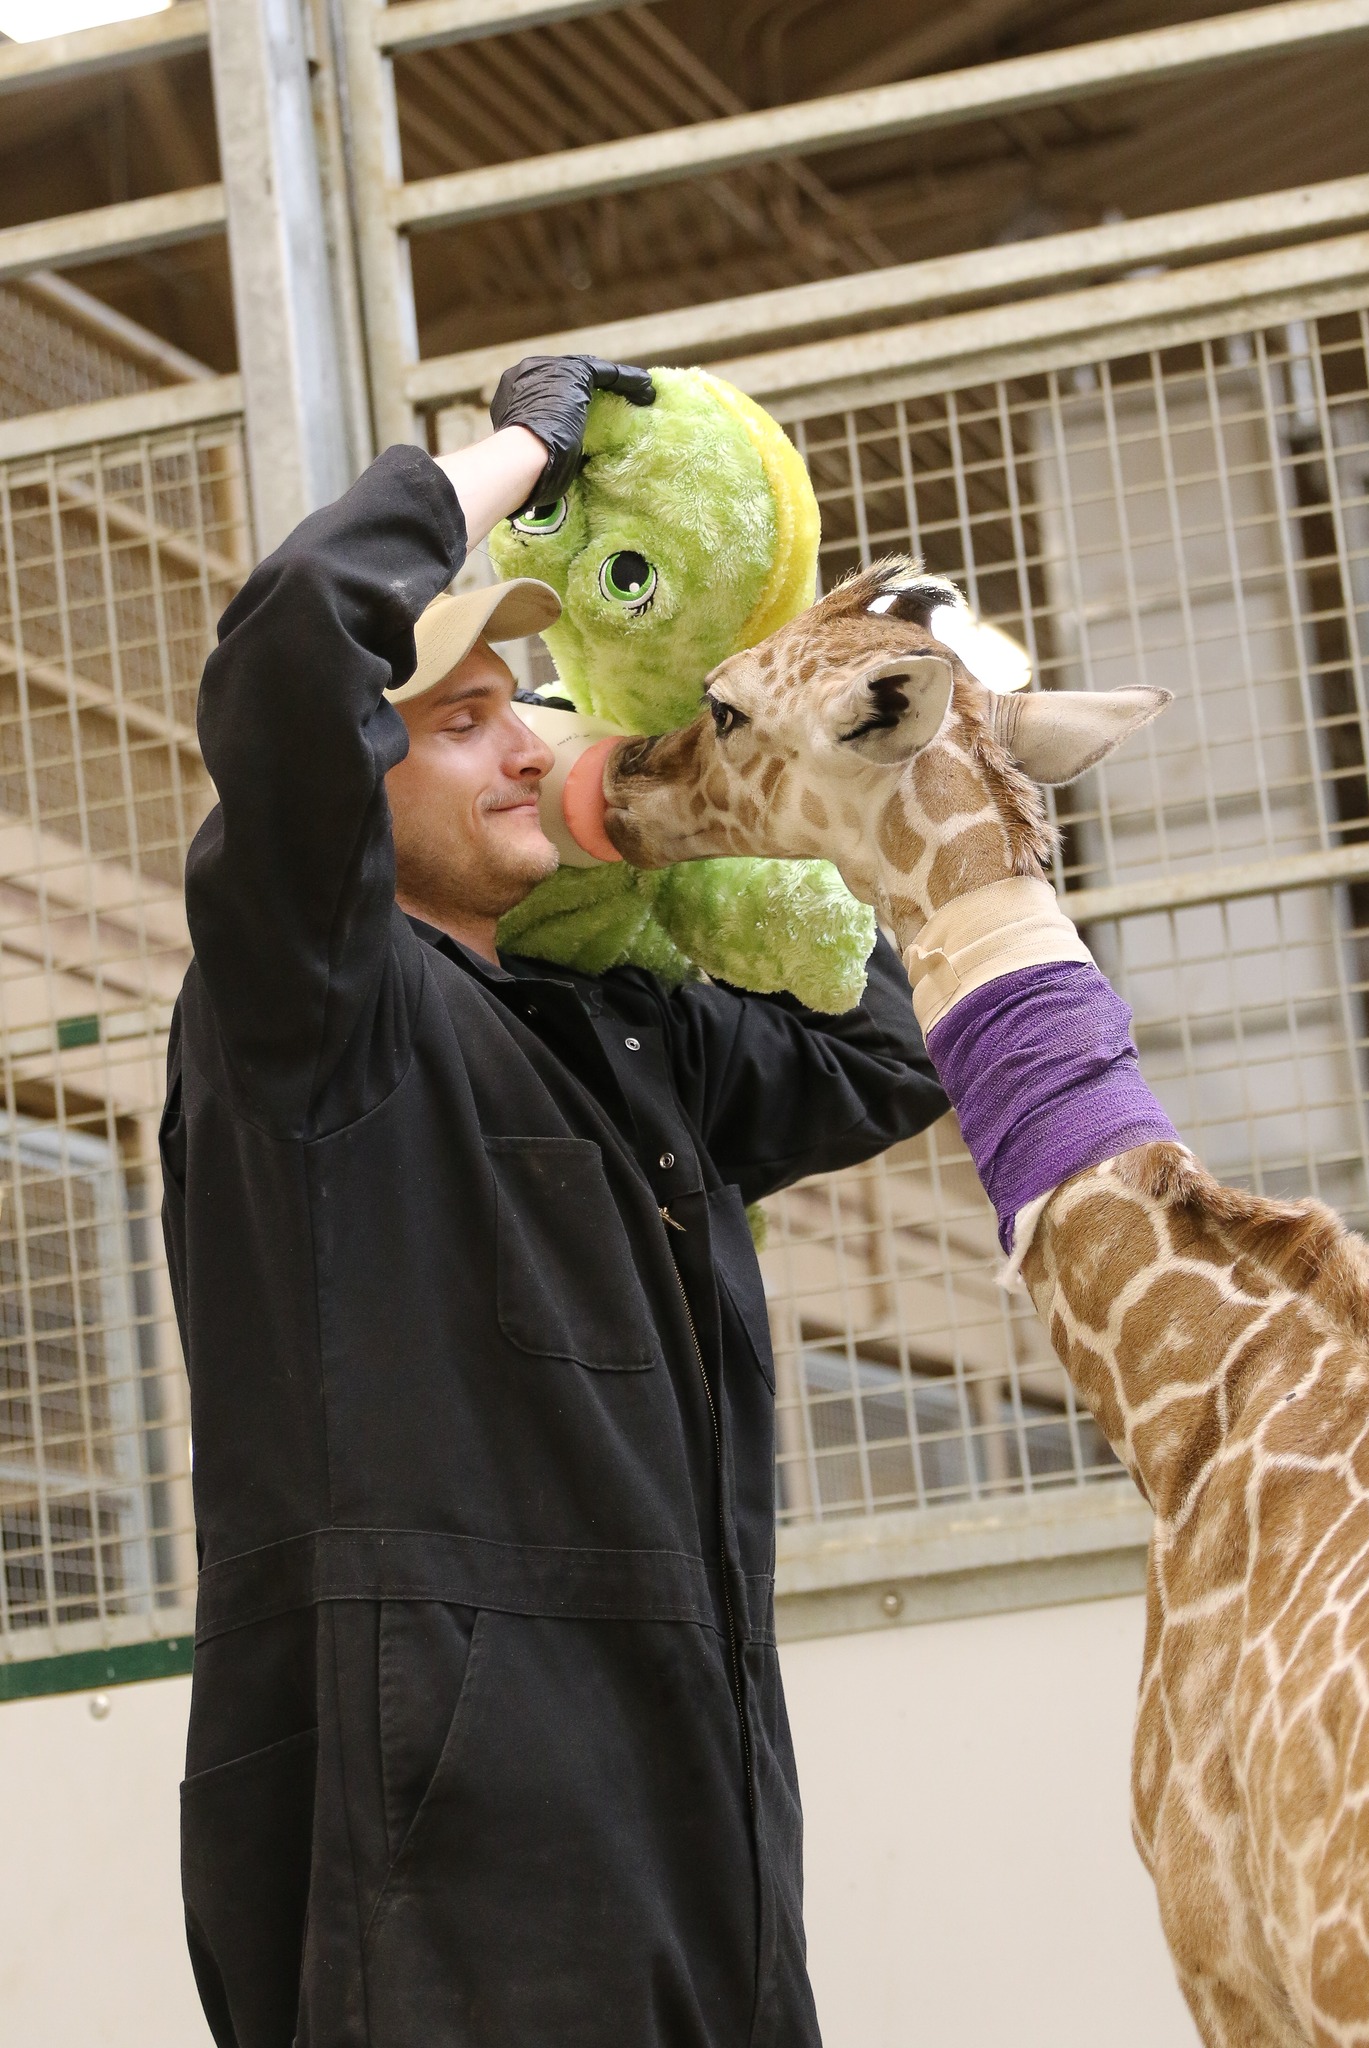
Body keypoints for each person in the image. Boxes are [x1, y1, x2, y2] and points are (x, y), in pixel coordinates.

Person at [162, 353, 947, 2048]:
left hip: (694, 1787)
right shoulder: (310, 1007)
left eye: (532, 709)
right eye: (461, 725)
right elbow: (294, 644)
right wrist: (526, 456)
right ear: (353, 792)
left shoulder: (617, 1026)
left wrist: (714, 829)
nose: (529, 751)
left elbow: (885, 1050)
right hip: (441, 1848)